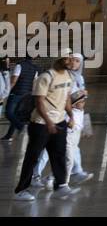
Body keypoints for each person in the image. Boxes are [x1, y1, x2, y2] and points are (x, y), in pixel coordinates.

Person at [12, 53, 78, 201]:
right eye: (67, 59)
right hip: (40, 123)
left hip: (59, 121)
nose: (70, 61)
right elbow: (39, 102)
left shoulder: (68, 76)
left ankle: (61, 185)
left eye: (71, 58)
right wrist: (48, 121)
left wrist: (71, 115)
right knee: (32, 157)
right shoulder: (46, 77)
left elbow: (66, 97)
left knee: (59, 154)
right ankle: (21, 190)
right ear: (59, 60)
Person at [34, 50, 93, 188]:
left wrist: (86, 125)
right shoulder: (62, 77)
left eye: (78, 61)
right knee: (53, 151)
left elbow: (82, 105)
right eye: (72, 60)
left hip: (75, 120)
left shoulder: (80, 79)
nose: (74, 63)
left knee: (70, 149)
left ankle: (65, 175)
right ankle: (52, 180)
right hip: (62, 118)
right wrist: (79, 96)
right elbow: (61, 99)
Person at [2, 54, 38, 141]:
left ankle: (22, 127)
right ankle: (9, 136)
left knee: (8, 113)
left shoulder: (19, 65)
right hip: (27, 95)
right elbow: (34, 83)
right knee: (16, 115)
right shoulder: (35, 68)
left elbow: (13, 81)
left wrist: (6, 93)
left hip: (16, 93)